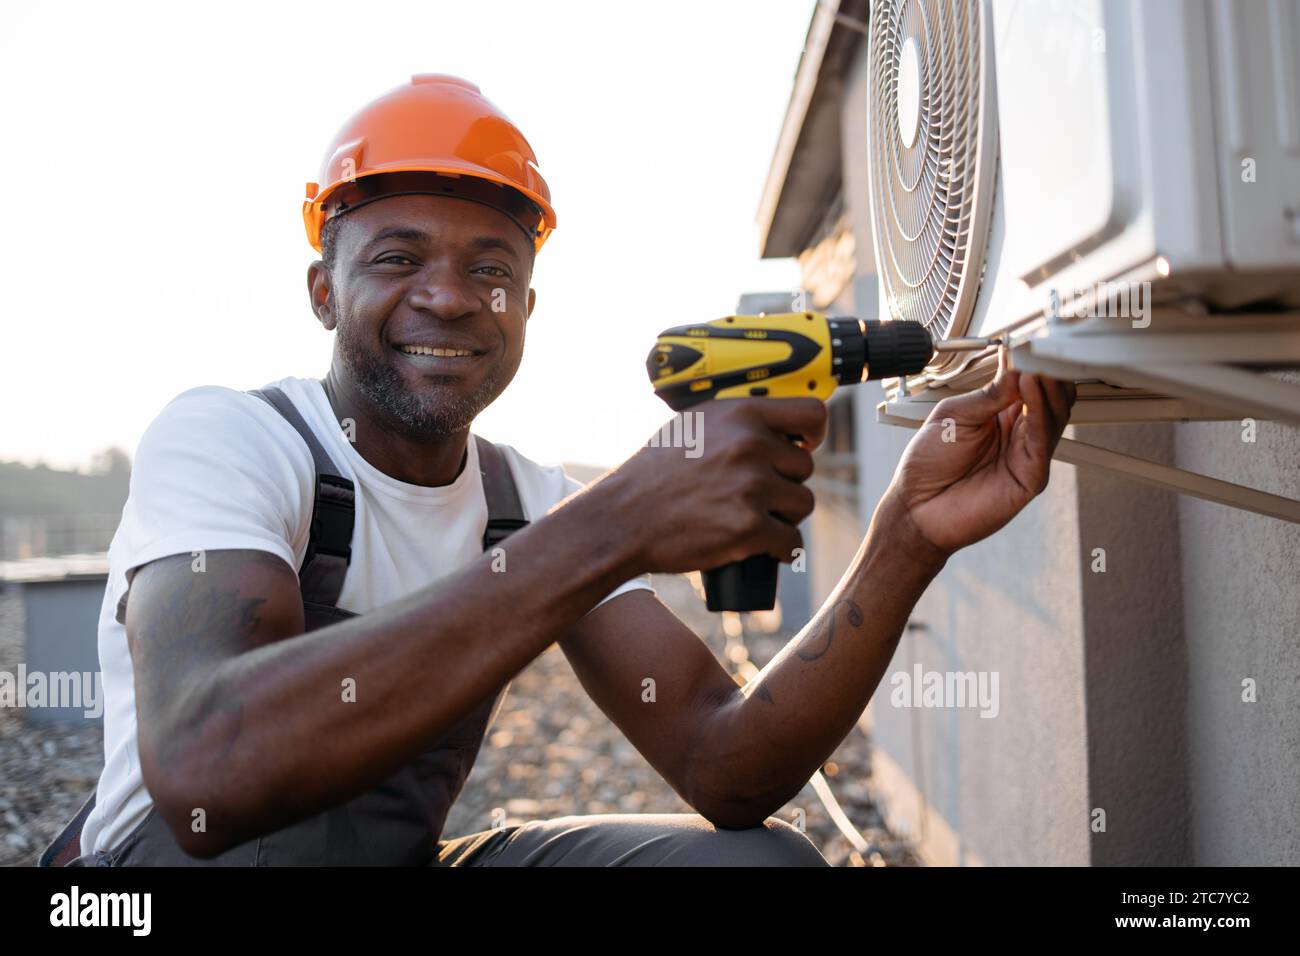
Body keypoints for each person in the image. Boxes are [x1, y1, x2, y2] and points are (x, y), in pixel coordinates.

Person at [59, 75, 1075, 867]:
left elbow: (725, 763)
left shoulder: (523, 502)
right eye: (398, 258)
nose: (450, 296)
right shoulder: (231, 439)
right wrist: (617, 521)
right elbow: (210, 764)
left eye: (492, 268)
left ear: (527, 310)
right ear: (324, 290)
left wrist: (906, 532)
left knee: (761, 864)